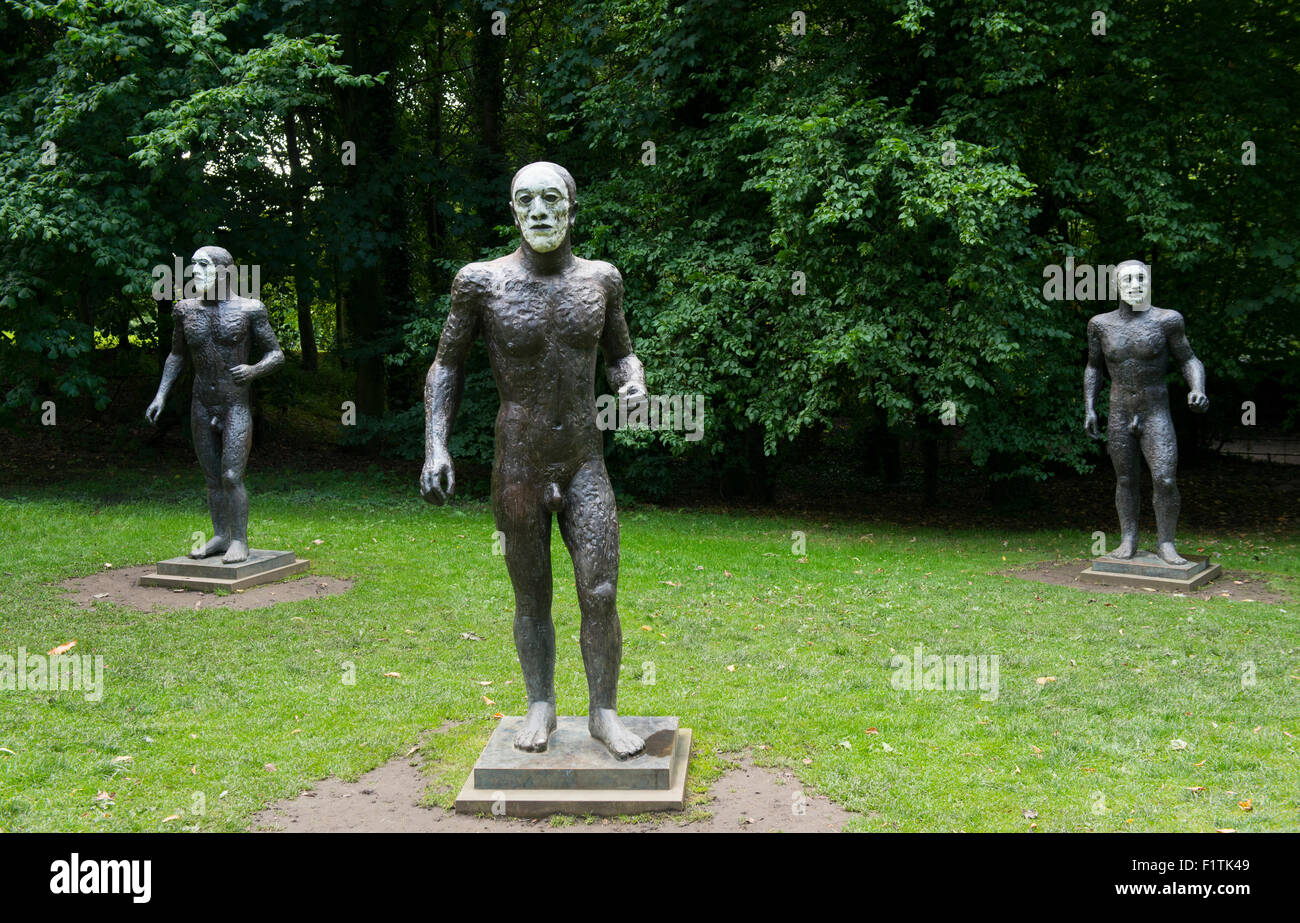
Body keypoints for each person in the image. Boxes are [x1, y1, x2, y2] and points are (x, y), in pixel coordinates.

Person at [421, 162, 648, 759]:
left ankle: (603, 712)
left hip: (583, 463)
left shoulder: (602, 281)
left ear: (573, 208)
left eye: (553, 199)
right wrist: (435, 444)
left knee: (598, 590)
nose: (540, 211)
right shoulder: (480, 282)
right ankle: (540, 704)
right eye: (527, 200)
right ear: (513, 211)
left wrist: (633, 382)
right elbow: (447, 364)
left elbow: (623, 356)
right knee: (532, 594)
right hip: (517, 464)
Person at [146, 246, 284, 564]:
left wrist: (253, 370)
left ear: (223, 271)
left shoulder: (250, 309)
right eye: (192, 265)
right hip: (202, 402)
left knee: (232, 474)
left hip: (234, 402)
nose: (194, 271)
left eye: (202, 265)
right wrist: (161, 394)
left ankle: (239, 540)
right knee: (211, 477)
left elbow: (276, 354)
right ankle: (220, 535)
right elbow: (177, 355)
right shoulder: (185, 310)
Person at [1084, 259, 1208, 564]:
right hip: (1119, 412)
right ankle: (1128, 540)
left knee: (1164, 478)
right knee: (1125, 479)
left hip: (1155, 412)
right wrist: (1088, 406)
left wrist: (1198, 388)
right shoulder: (1100, 324)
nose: (1135, 284)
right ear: (1116, 285)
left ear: (1148, 282)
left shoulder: (1167, 320)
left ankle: (1166, 543)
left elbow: (1189, 359)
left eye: (1141, 278)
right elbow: (1093, 366)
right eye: (1128, 280)